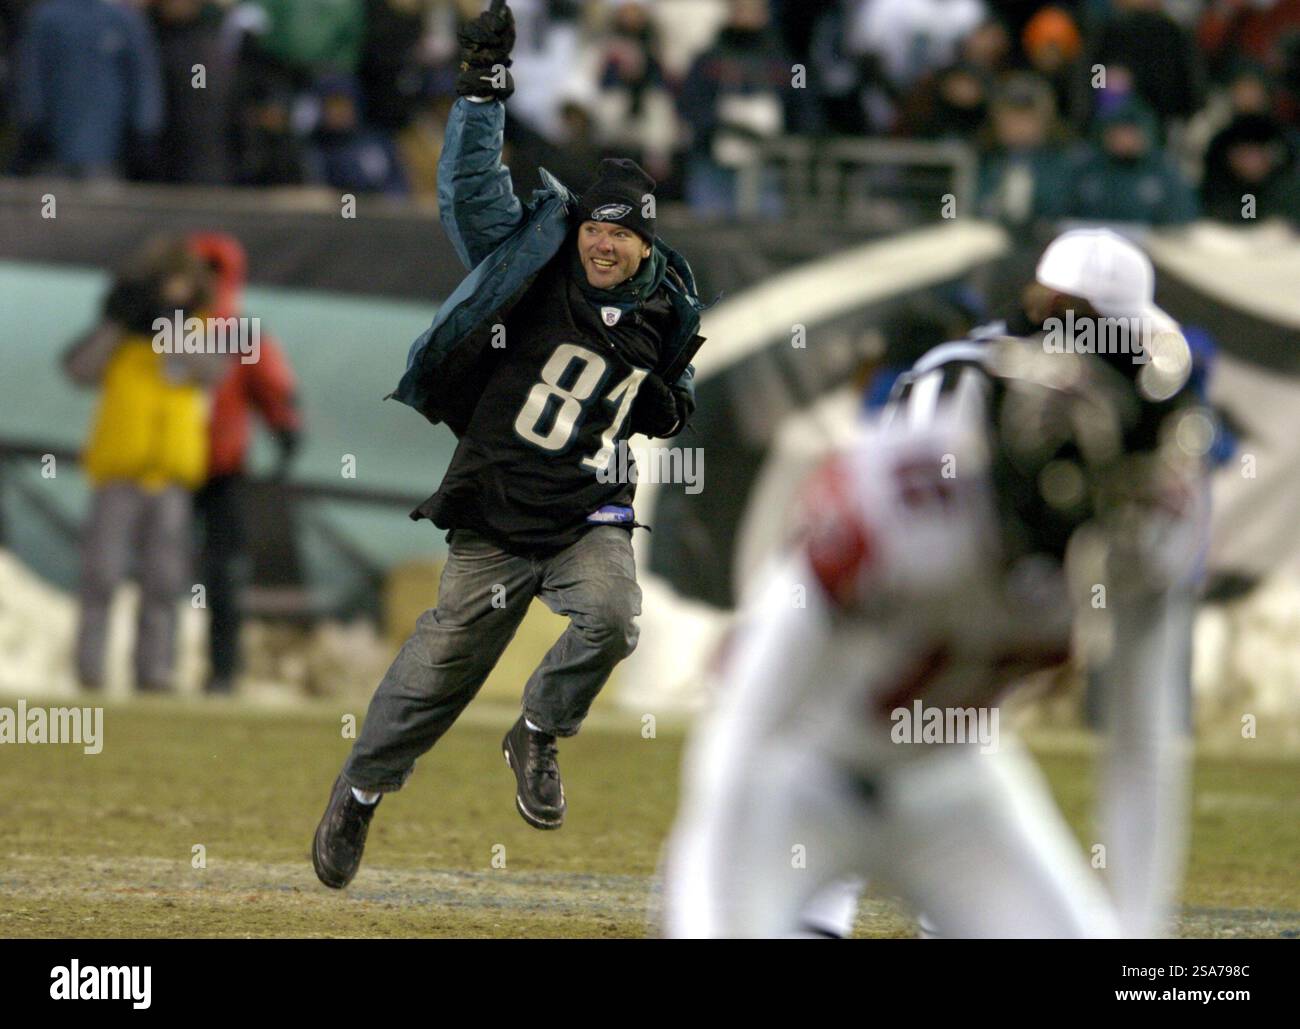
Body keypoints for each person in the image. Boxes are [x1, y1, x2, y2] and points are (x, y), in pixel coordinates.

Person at [664, 229, 1207, 937]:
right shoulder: (910, 484)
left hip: (949, 774)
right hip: (799, 769)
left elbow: (1143, 745)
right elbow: (748, 710)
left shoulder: (1151, 526)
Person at [311, 0, 706, 890]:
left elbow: (669, 390)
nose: (602, 241)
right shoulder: (534, 260)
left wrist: (667, 410)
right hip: (495, 507)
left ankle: (537, 732)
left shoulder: (667, 306)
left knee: (612, 615)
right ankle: (362, 791)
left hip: (586, 513)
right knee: (431, 682)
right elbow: (468, 190)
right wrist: (483, 87)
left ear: (646, 241)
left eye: (621, 230)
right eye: (595, 226)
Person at [63, 236, 222, 693]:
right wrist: (120, 323)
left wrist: (171, 328)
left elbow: (217, 371)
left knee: (164, 581)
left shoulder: (196, 331)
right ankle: (89, 670)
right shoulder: (120, 336)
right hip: (118, 472)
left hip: (171, 475)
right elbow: (78, 369)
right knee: (102, 575)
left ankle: (154, 672)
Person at [189, 233, 302, 696]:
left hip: (212, 465)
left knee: (218, 574)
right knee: (209, 571)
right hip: (184, 463)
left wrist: (284, 425)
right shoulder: (226, 330)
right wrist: (284, 426)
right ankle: (211, 670)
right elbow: (272, 384)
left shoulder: (217, 330)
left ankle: (220, 671)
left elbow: (270, 385)